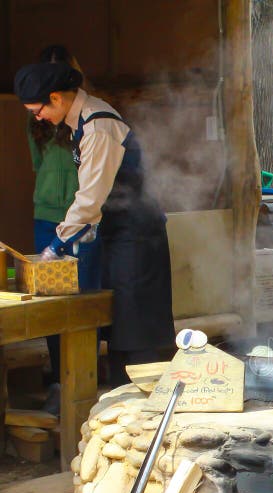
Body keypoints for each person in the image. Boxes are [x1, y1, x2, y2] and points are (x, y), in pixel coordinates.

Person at [14, 60, 174, 387]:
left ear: (56, 98)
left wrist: (56, 246)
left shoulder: (99, 127)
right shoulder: (81, 122)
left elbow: (89, 199)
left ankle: (141, 407)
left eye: (37, 110)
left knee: (136, 330)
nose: (37, 117)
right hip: (117, 233)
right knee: (117, 324)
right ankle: (119, 397)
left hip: (137, 235)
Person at [27, 46, 99, 411]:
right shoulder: (37, 118)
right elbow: (37, 162)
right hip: (46, 216)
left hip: (77, 218)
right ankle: (58, 380)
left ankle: (85, 382)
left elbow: (92, 180)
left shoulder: (87, 119)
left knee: (83, 296)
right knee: (52, 299)